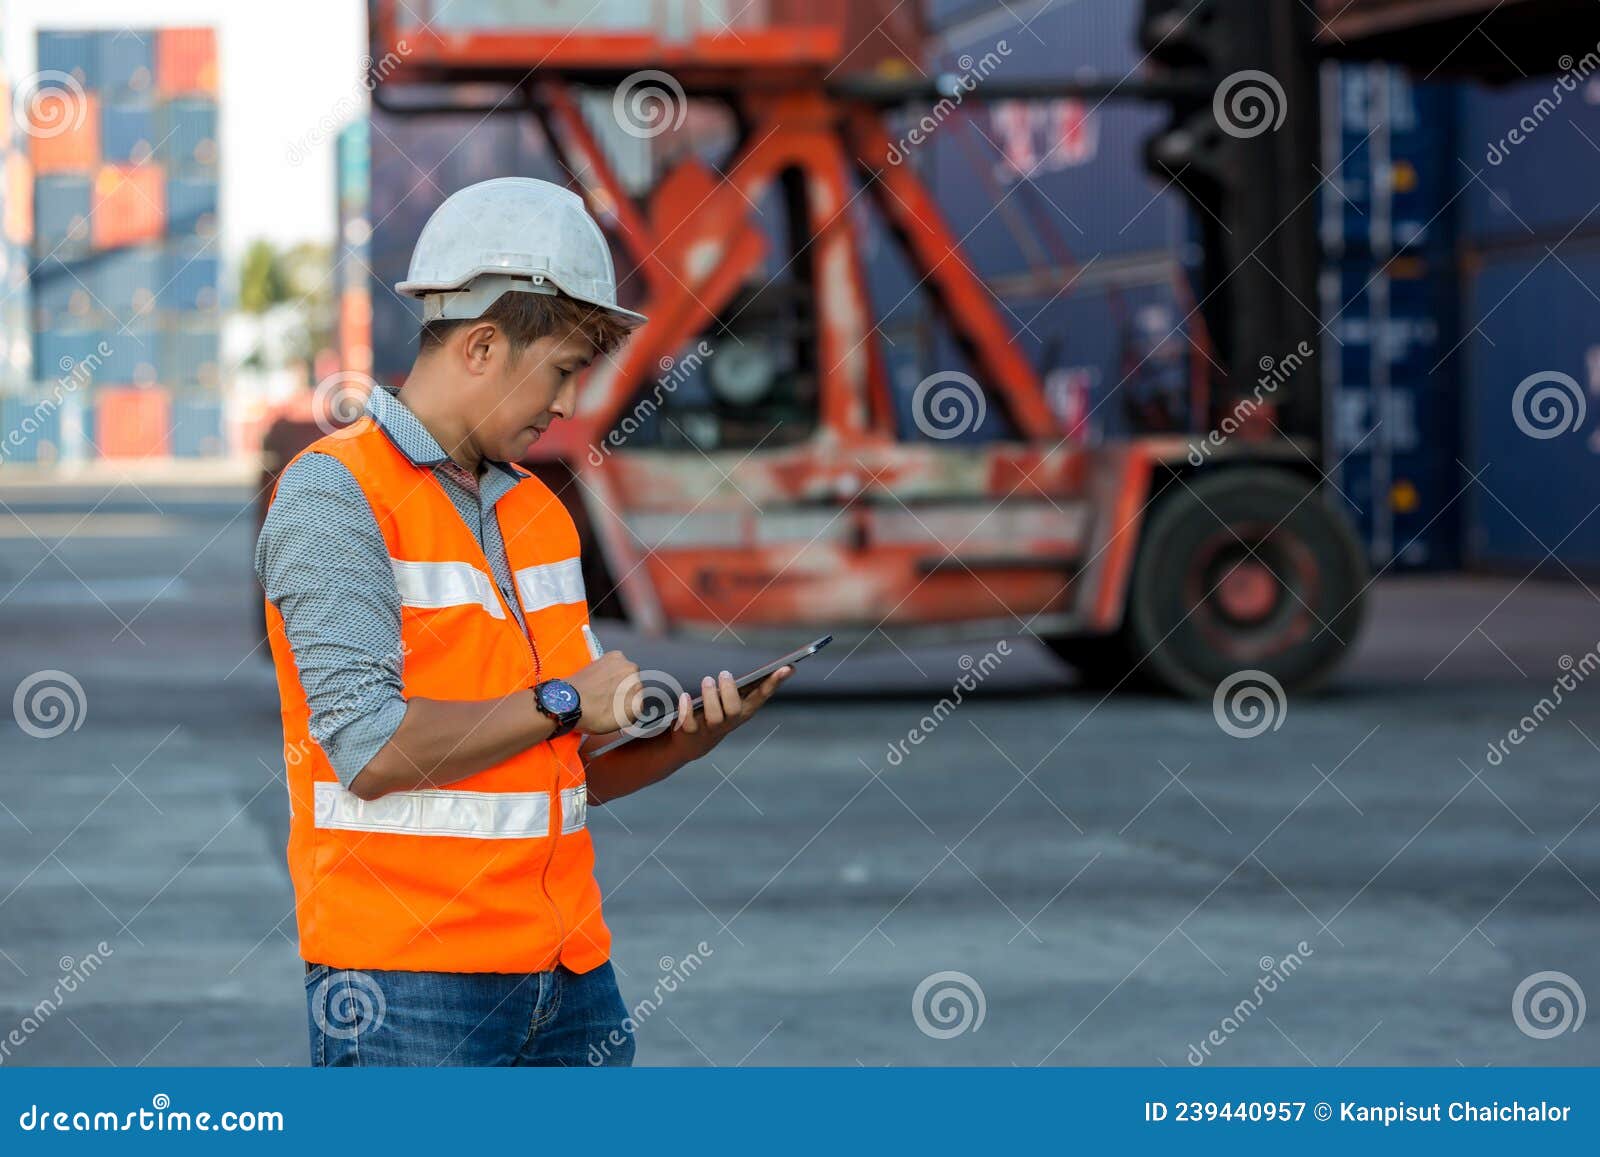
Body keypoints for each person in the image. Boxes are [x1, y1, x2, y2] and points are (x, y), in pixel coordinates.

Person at [255, 177, 791, 1067]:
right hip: (407, 985)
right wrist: (563, 698)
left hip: (569, 973)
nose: (571, 405)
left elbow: (552, 769)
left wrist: (685, 740)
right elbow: (370, 746)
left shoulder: (536, 511)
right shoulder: (333, 493)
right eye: (564, 371)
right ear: (483, 345)